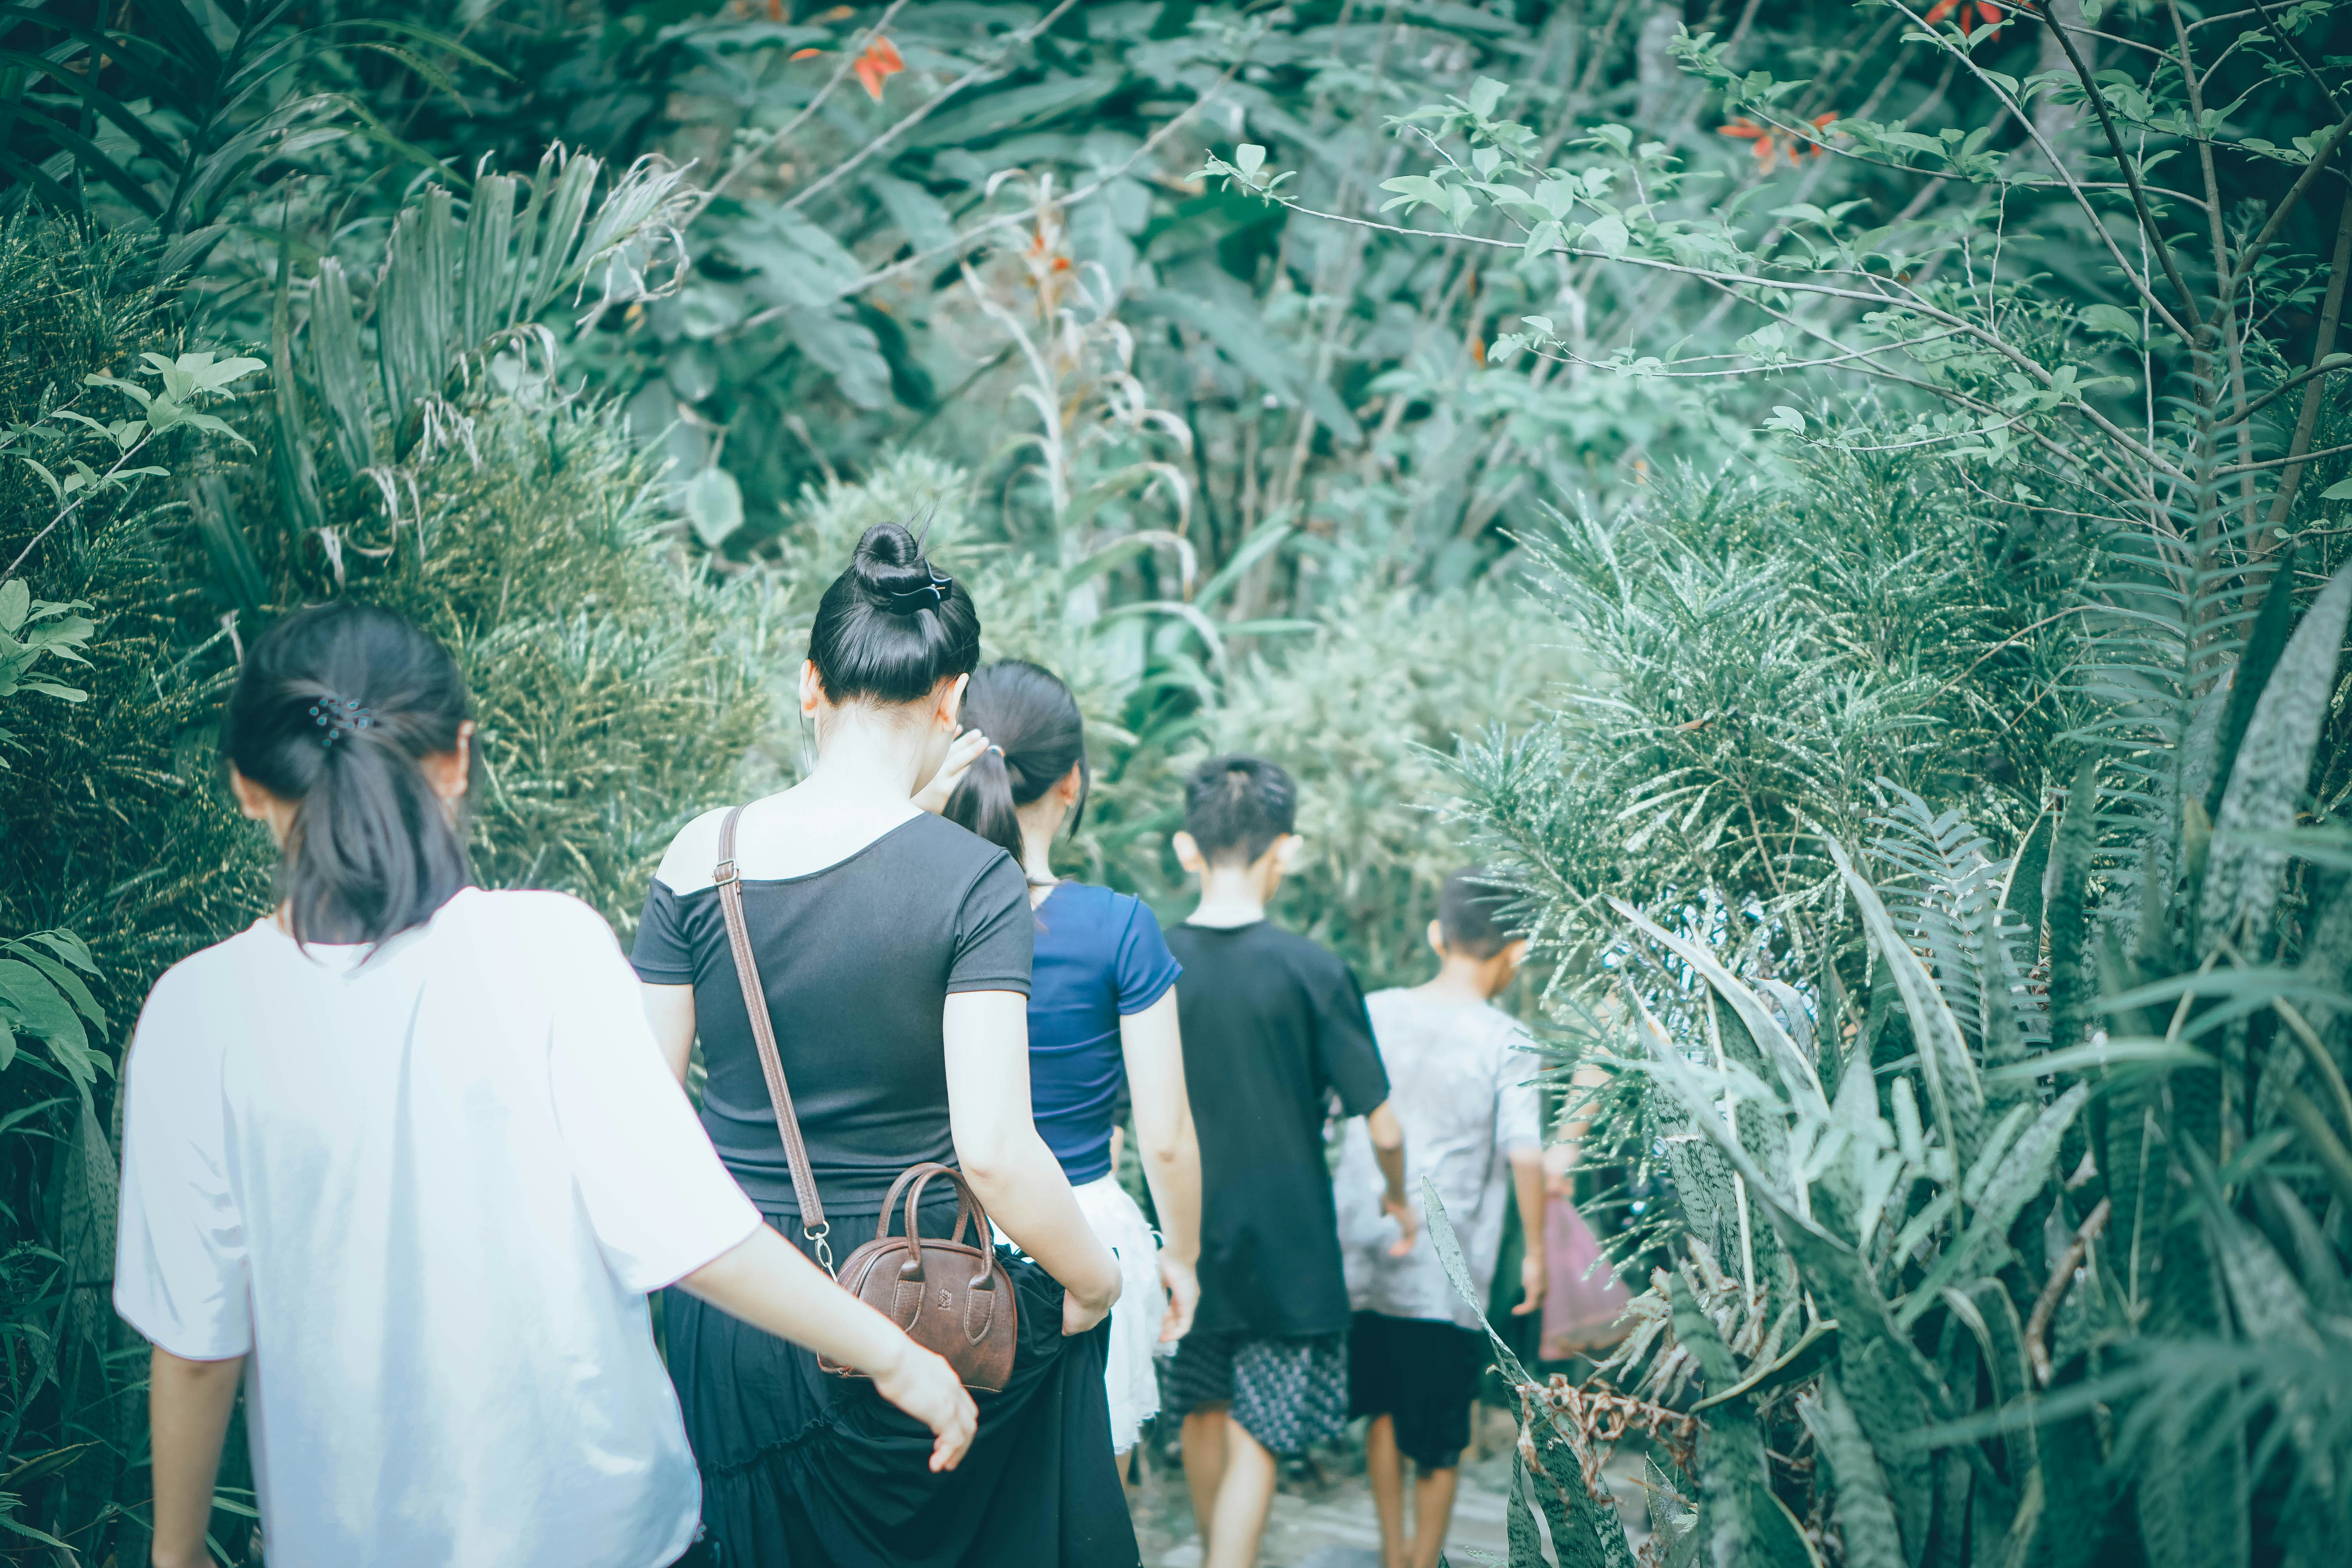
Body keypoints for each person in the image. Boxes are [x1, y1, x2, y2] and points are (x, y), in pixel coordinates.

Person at [114, 602, 975, 1568]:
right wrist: (896, 1353)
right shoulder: (545, 947)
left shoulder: (198, 1015)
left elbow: (196, 1344)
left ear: (245, 784)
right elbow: (688, 1228)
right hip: (608, 1538)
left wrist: (176, 1556)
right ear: (460, 757)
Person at [632, 524, 1135, 1568]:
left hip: (731, 1289)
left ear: (810, 683)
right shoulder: (973, 883)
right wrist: (1096, 1285)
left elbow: (642, 1119)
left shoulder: (702, 854)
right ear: (952, 701)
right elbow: (992, 1148)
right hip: (913, 1288)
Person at [933, 659, 1204, 1460]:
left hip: (937, 1239)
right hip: (1082, 1235)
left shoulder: (919, 905)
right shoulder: (1119, 926)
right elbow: (1164, 1135)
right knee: (1084, 1508)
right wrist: (1181, 1255)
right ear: (1073, 781)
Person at [1160, 756, 1414, 1568]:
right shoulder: (1315, 969)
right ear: (1289, 848)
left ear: (1185, 848)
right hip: (1290, 1236)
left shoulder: (1151, 962)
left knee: (1203, 1408)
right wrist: (1402, 1200)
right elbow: (1383, 1124)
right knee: (1260, 1427)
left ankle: (1212, 1554)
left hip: (1188, 1229)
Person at [1335, 869, 1546, 1568]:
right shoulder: (1509, 1039)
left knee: (1385, 1409)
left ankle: (1395, 1554)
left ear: (1437, 934)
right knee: (1441, 1431)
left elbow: (1340, 1115)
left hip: (1363, 1252)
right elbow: (1525, 1154)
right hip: (1449, 1274)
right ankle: (1420, 1562)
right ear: (1516, 952)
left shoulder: (1376, 1010)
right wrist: (1537, 1254)